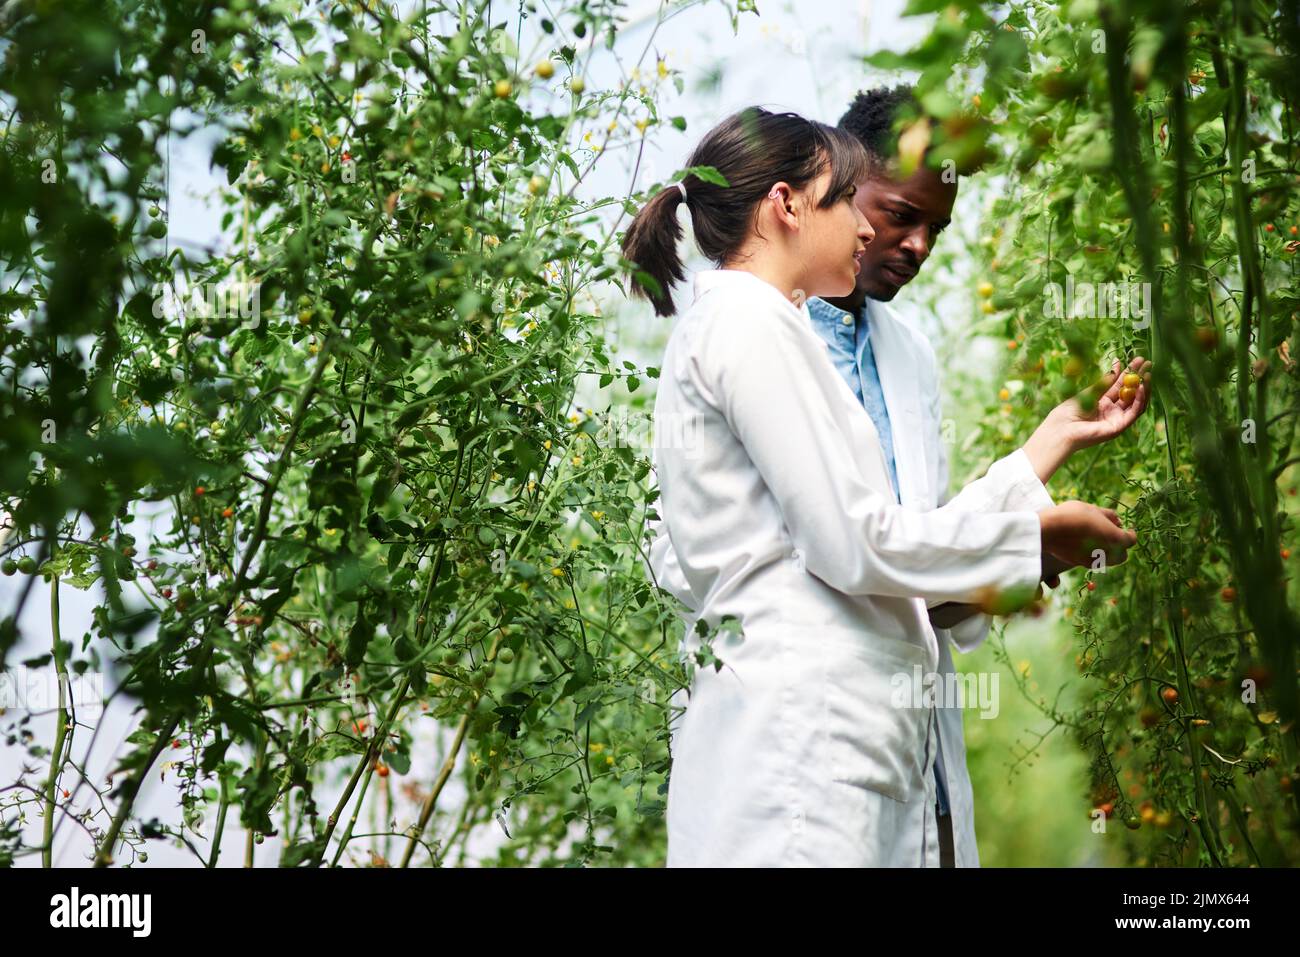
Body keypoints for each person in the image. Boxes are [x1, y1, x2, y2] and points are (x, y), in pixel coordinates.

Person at [621, 105, 1140, 866]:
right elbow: (854, 542)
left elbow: (883, 542)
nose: (869, 232)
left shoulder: (768, 326)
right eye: (848, 202)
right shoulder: (750, 326)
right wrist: (1031, 538)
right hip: (798, 744)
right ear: (786, 206)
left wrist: (1038, 463)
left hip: (841, 743)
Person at [797, 85, 1153, 866]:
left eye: (937, 228)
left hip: (919, 753)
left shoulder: (907, 354)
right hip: (814, 754)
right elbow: (853, 562)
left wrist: (1049, 448)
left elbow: (924, 572)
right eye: (902, 214)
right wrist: (1025, 541)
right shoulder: (772, 341)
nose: (920, 245)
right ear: (842, 189)